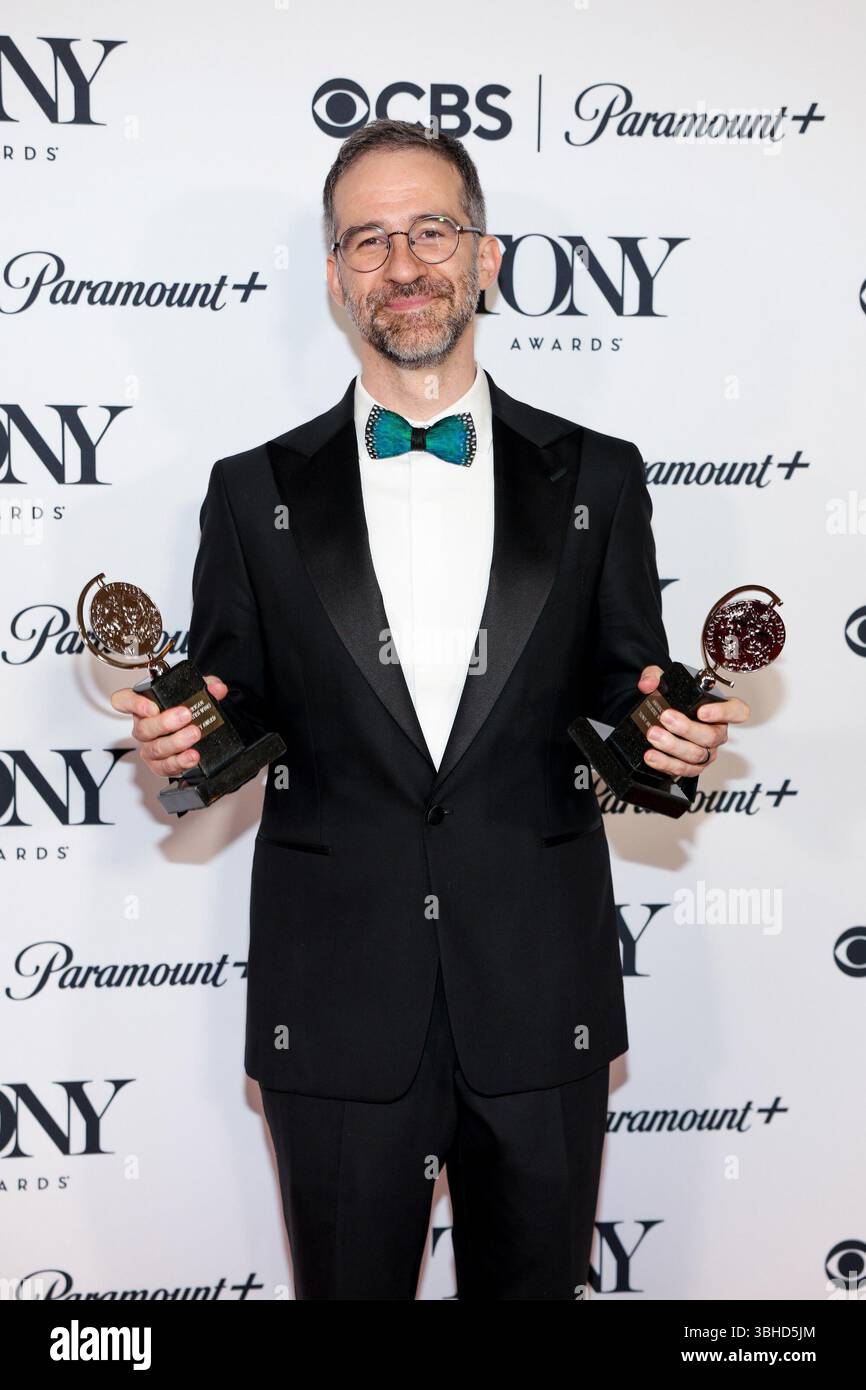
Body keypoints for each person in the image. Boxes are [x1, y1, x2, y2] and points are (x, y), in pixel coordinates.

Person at [110, 118, 749, 1300]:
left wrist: (667, 738)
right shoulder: (252, 494)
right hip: (336, 1000)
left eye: (429, 231)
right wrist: (178, 740)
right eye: (366, 240)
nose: (401, 265)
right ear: (334, 275)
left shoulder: (597, 476)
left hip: (537, 985)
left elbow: (627, 694)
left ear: (485, 256)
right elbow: (223, 708)